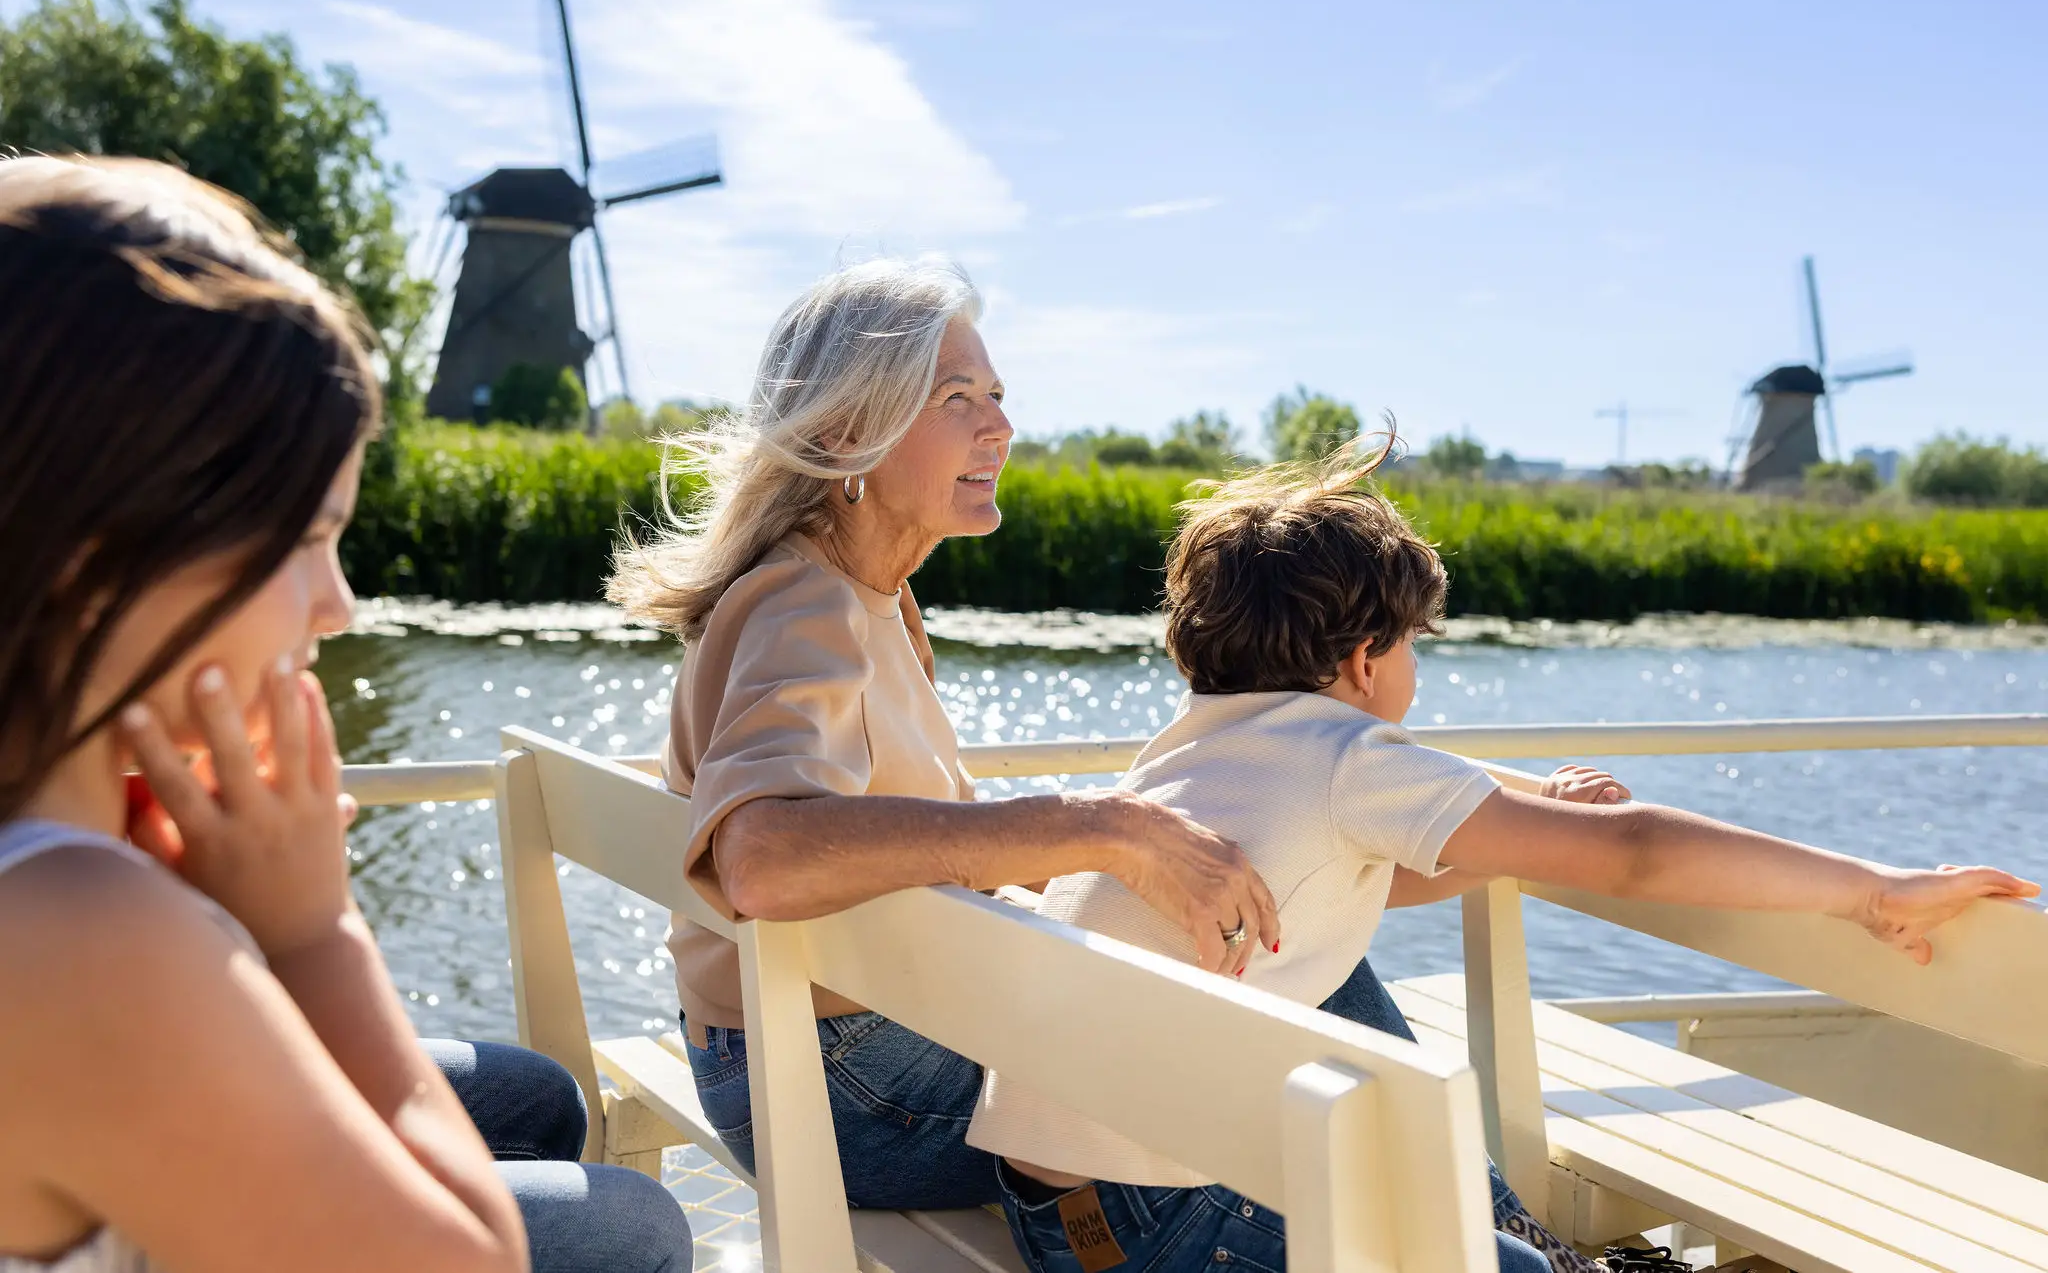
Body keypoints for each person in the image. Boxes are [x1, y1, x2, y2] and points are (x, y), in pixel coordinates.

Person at [967, 438, 2038, 1273]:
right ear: (1360, 659)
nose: (1413, 675)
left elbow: (1379, 875)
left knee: (1352, 1002)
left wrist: (1527, 810)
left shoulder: (1198, 750)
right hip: (1161, 1225)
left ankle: (1507, 1230)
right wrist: (1871, 891)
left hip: (1054, 1207)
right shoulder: (1345, 754)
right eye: (1413, 649)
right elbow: (1632, 854)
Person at [0, 155, 690, 1272]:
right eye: (310, 538)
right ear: (102, 558)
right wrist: (309, 930)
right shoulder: (86, 935)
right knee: (635, 1227)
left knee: (531, 1099)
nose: (339, 603)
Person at [607, 258, 1281, 1208]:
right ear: (848, 431)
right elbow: (760, 859)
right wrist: (1103, 827)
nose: (1000, 426)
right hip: (846, 1090)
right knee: (1276, 1026)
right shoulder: (809, 602)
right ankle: (1485, 1237)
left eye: (996, 394)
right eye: (955, 397)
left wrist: (1111, 854)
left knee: (1244, 988)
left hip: (824, 1048)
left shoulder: (863, 596)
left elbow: (892, 836)